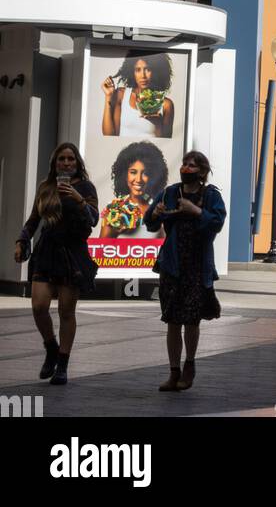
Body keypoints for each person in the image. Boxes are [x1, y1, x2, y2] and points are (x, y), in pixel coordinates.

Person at [13, 142, 99, 385]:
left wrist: (79, 200)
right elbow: (33, 220)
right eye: (62, 159)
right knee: (39, 306)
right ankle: (51, 347)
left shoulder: (85, 187)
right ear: (55, 163)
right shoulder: (46, 186)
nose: (67, 163)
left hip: (73, 253)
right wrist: (21, 240)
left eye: (71, 159)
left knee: (65, 311)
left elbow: (93, 219)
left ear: (77, 162)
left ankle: (62, 364)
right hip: (47, 251)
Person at [145, 150, 226, 391]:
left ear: (202, 171)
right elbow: (149, 223)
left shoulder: (210, 195)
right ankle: (173, 371)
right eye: (184, 164)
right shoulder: (170, 192)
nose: (187, 168)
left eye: (192, 165)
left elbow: (217, 222)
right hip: (172, 265)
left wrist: (196, 210)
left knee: (191, 319)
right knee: (172, 320)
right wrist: (156, 214)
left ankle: (189, 365)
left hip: (197, 266)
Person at [100, 141, 168, 237]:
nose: (138, 179)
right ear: (124, 175)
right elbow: (101, 247)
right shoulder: (114, 210)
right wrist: (115, 232)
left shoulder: (161, 207)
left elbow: (168, 244)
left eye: (145, 173)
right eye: (133, 172)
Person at [102, 53, 175, 138]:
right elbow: (109, 136)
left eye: (148, 69)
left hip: (149, 150)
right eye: (138, 70)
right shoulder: (121, 95)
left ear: (156, 71)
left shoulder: (166, 105)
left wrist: (157, 123)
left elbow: (166, 144)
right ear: (132, 72)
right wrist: (108, 96)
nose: (143, 76)